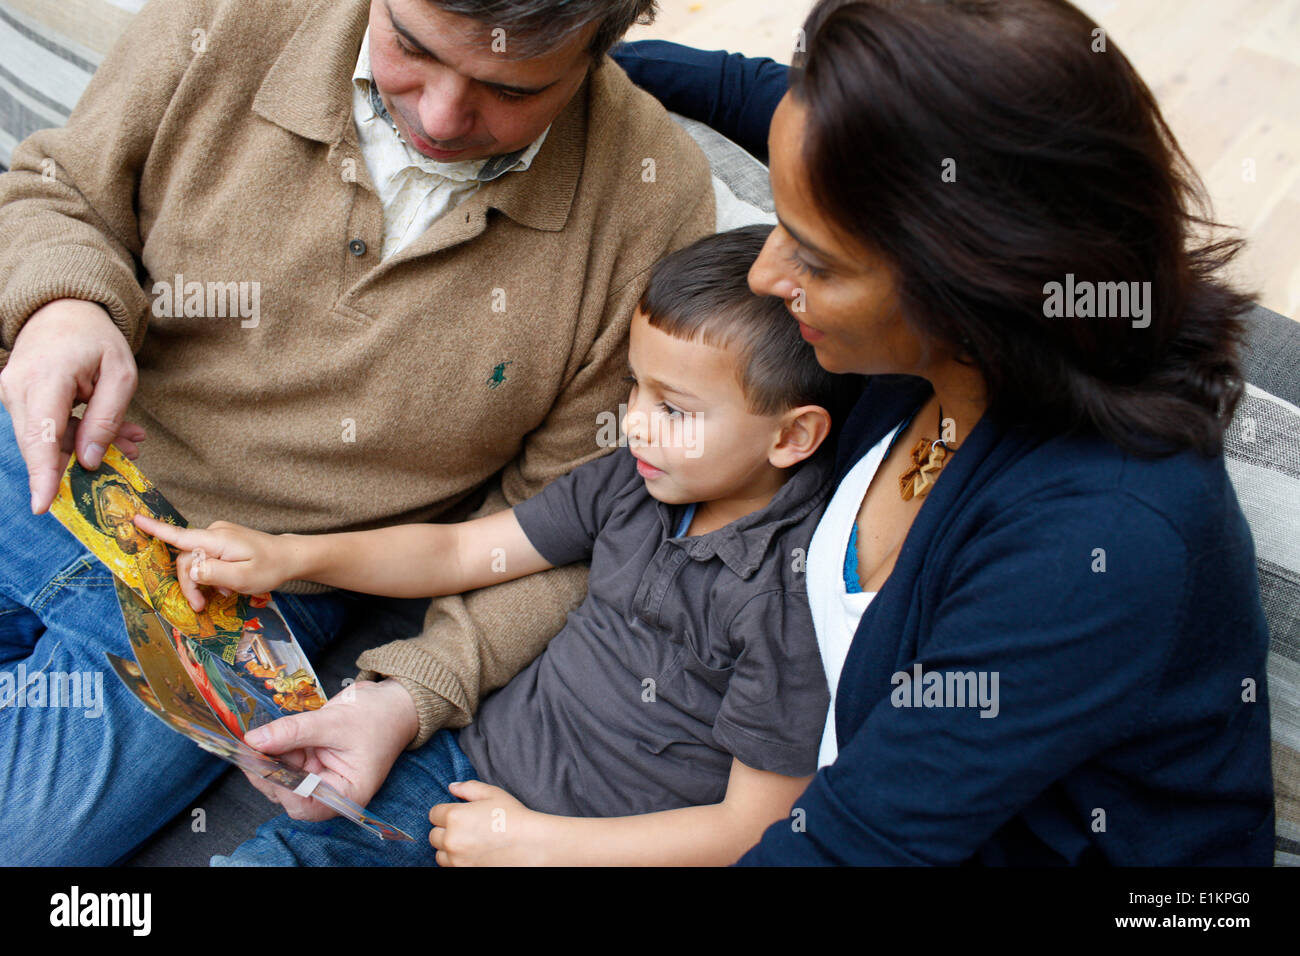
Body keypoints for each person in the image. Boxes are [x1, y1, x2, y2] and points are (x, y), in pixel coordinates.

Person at [0, 0, 716, 864]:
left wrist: (420, 685)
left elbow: (572, 522)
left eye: (508, 88)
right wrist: (62, 303)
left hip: (240, 599)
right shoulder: (232, 14)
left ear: (602, 47)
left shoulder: (653, 200)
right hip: (44, 455)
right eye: (409, 48)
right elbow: (55, 190)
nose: (441, 116)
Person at [637, 0, 1274, 864]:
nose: (762, 272)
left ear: (973, 278)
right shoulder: (946, 339)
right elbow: (750, 92)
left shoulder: (1099, 542)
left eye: (814, 260)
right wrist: (567, 59)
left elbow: (846, 850)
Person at [133, 226, 866, 865]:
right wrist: (292, 554)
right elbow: (459, 553)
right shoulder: (633, 482)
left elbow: (756, 825)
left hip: (599, 850)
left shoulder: (791, 593)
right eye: (635, 389)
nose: (636, 423)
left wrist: (535, 845)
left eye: (674, 409)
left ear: (791, 435)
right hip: (465, 770)